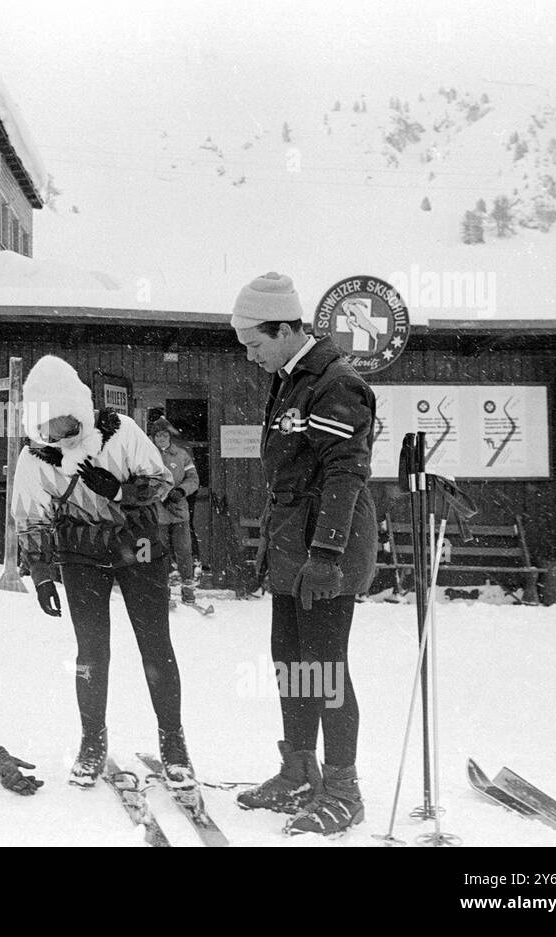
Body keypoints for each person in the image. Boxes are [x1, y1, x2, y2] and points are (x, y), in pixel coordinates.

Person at [230, 272, 378, 835]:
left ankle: (343, 789)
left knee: (325, 668)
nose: (250, 356)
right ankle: (298, 770)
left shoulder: (334, 382)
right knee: (291, 662)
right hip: (295, 543)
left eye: (256, 344)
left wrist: (326, 554)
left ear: (288, 328)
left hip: (325, 548)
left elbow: (345, 472)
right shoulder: (293, 378)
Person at [10, 355, 197, 788]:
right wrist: (40, 573)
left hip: (139, 544)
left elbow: (161, 481)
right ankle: (92, 740)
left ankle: (174, 741)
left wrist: (119, 489)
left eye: (66, 424)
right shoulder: (36, 458)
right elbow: (31, 518)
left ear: (81, 411)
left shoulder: (121, 432)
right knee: (91, 652)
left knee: (156, 645)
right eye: (48, 427)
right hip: (82, 553)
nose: (59, 435)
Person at [149, 417, 199, 605]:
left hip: (179, 512)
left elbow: (193, 479)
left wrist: (180, 490)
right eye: (157, 435)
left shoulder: (181, 455)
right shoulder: (147, 454)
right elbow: (141, 479)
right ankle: (163, 590)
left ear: (169, 436)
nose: (161, 438)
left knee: (184, 551)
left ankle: (188, 591)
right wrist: (159, 493)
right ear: (152, 437)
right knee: (159, 552)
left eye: (164, 435)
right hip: (157, 513)